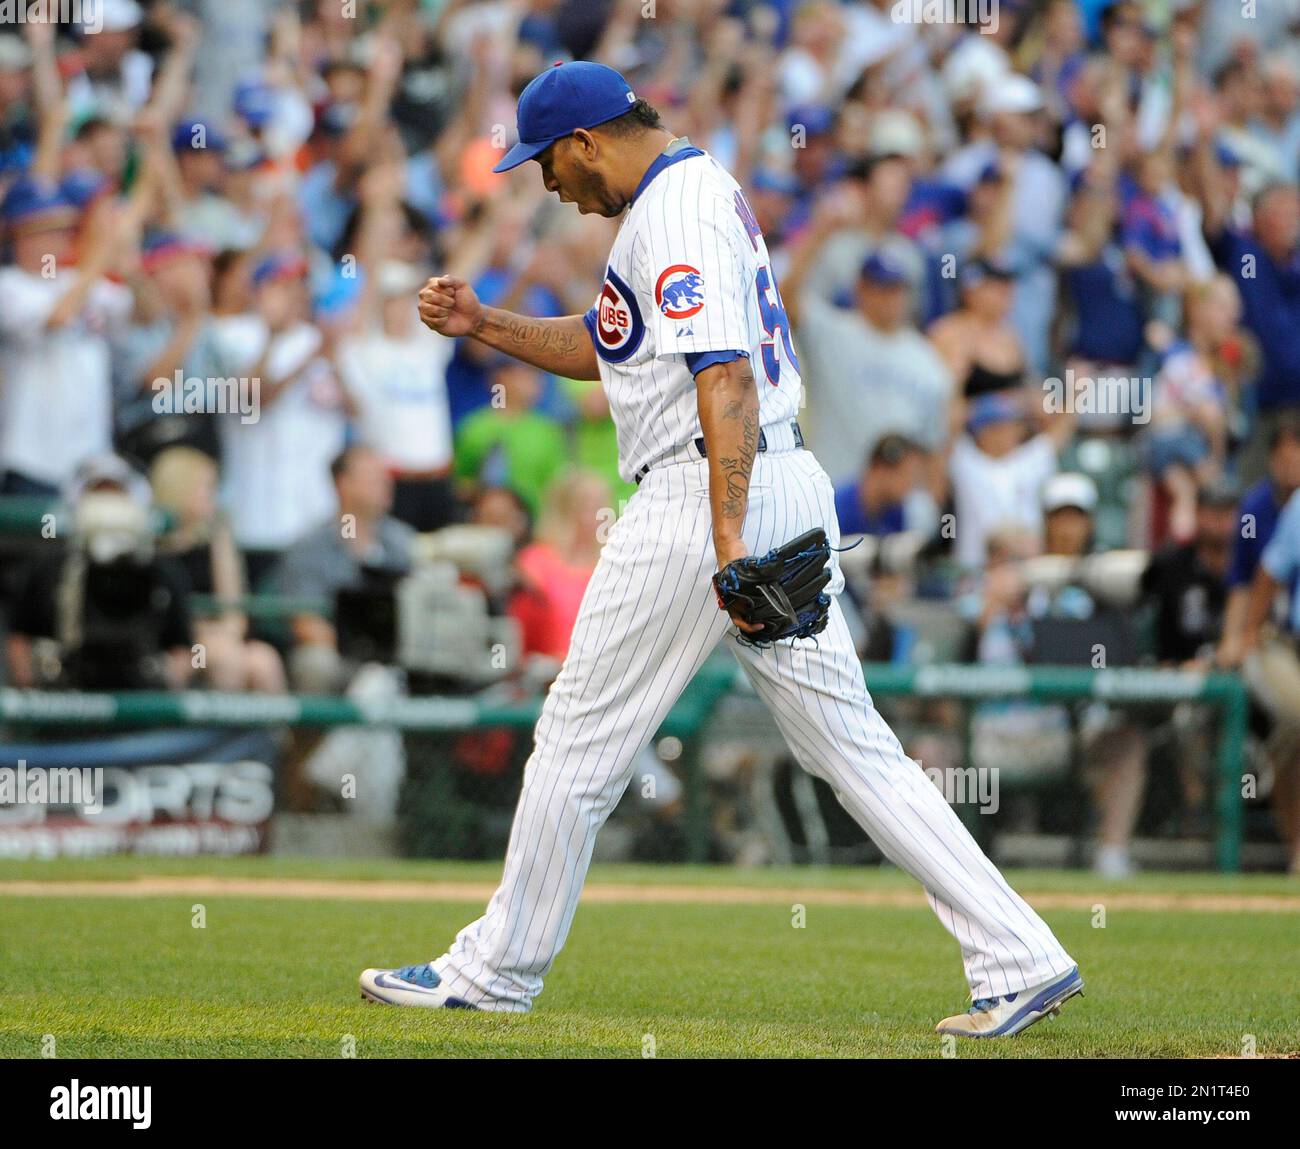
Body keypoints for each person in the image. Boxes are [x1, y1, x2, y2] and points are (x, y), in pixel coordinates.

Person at [360, 61, 1082, 1037]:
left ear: (585, 142)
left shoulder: (679, 207)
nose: (549, 187)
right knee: (856, 750)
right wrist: (486, 324)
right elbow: (605, 343)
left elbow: (725, 378)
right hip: (761, 478)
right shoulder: (684, 195)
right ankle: (1021, 956)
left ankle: (495, 970)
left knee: (578, 739)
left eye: (547, 165)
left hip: (707, 489)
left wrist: (730, 540)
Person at [268, 444, 414, 694]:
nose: (385, 485)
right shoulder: (311, 547)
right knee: (315, 662)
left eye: (385, 478)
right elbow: (305, 622)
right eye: (373, 478)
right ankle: (318, 734)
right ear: (343, 484)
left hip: (401, 653)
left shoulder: (404, 541)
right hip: (340, 654)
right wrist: (366, 650)